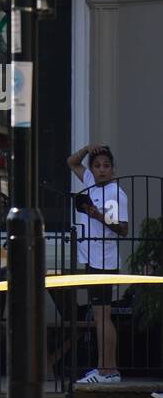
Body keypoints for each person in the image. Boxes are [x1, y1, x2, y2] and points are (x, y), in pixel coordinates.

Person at [69, 142, 129, 384]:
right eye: (97, 166)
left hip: (104, 259)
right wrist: (86, 148)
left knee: (103, 316)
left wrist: (97, 215)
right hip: (91, 256)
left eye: (106, 166)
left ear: (113, 169)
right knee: (98, 316)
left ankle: (108, 370)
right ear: (92, 170)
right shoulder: (91, 184)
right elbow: (71, 162)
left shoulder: (115, 193)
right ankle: (103, 367)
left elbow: (122, 229)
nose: (102, 170)